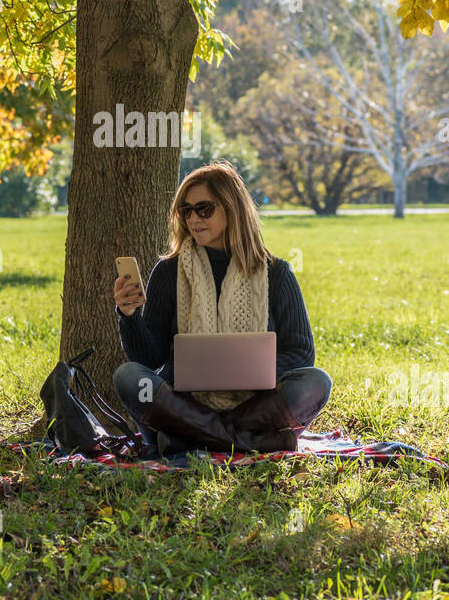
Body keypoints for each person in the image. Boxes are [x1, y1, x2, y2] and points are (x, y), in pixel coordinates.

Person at [112, 161, 332, 459]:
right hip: (185, 402)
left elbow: (301, 353)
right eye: (186, 211)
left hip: (255, 404)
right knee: (129, 378)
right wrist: (130, 317)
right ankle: (249, 440)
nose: (193, 219)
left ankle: (188, 440)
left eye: (204, 208)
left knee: (316, 382)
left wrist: (249, 373)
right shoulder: (168, 271)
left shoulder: (276, 273)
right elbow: (148, 359)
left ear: (232, 208)